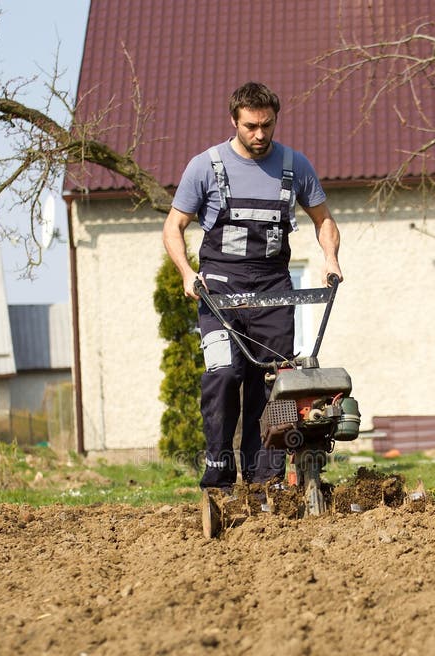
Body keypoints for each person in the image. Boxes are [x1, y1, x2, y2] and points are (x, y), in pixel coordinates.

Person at [162, 81, 342, 491]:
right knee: (224, 375)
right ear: (234, 121)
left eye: (267, 125)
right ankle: (219, 478)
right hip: (220, 291)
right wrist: (187, 272)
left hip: (273, 289)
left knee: (274, 383)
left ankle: (266, 482)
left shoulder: (295, 166)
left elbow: (324, 220)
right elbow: (173, 226)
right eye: (250, 126)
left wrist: (330, 258)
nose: (260, 134)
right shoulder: (205, 167)